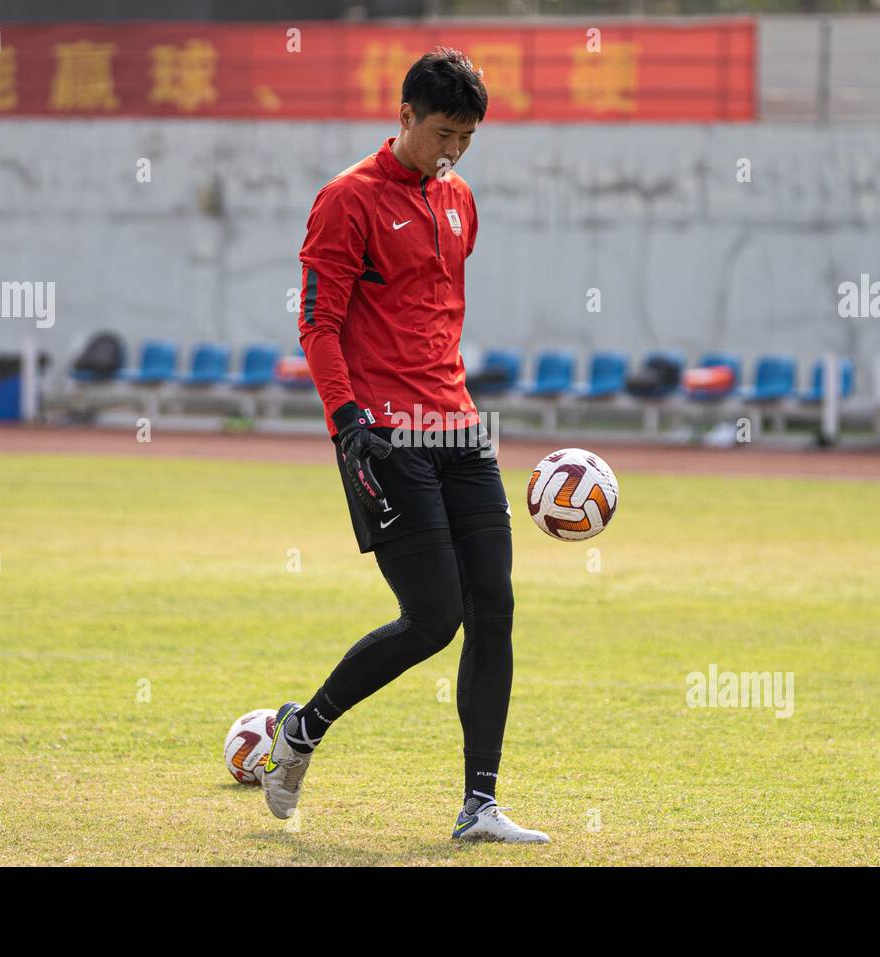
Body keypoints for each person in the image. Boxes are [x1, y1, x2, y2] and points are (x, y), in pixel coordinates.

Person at [261, 48, 549, 844]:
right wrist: (345, 418)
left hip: (458, 426)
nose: (453, 149)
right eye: (443, 131)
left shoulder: (460, 201)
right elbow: (318, 323)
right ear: (405, 117)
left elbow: (437, 316)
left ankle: (479, 804)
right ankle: (302, 728)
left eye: (468, 136)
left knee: (495, 606)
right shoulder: (346, 200)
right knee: (434, 617)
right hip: (382, 434)